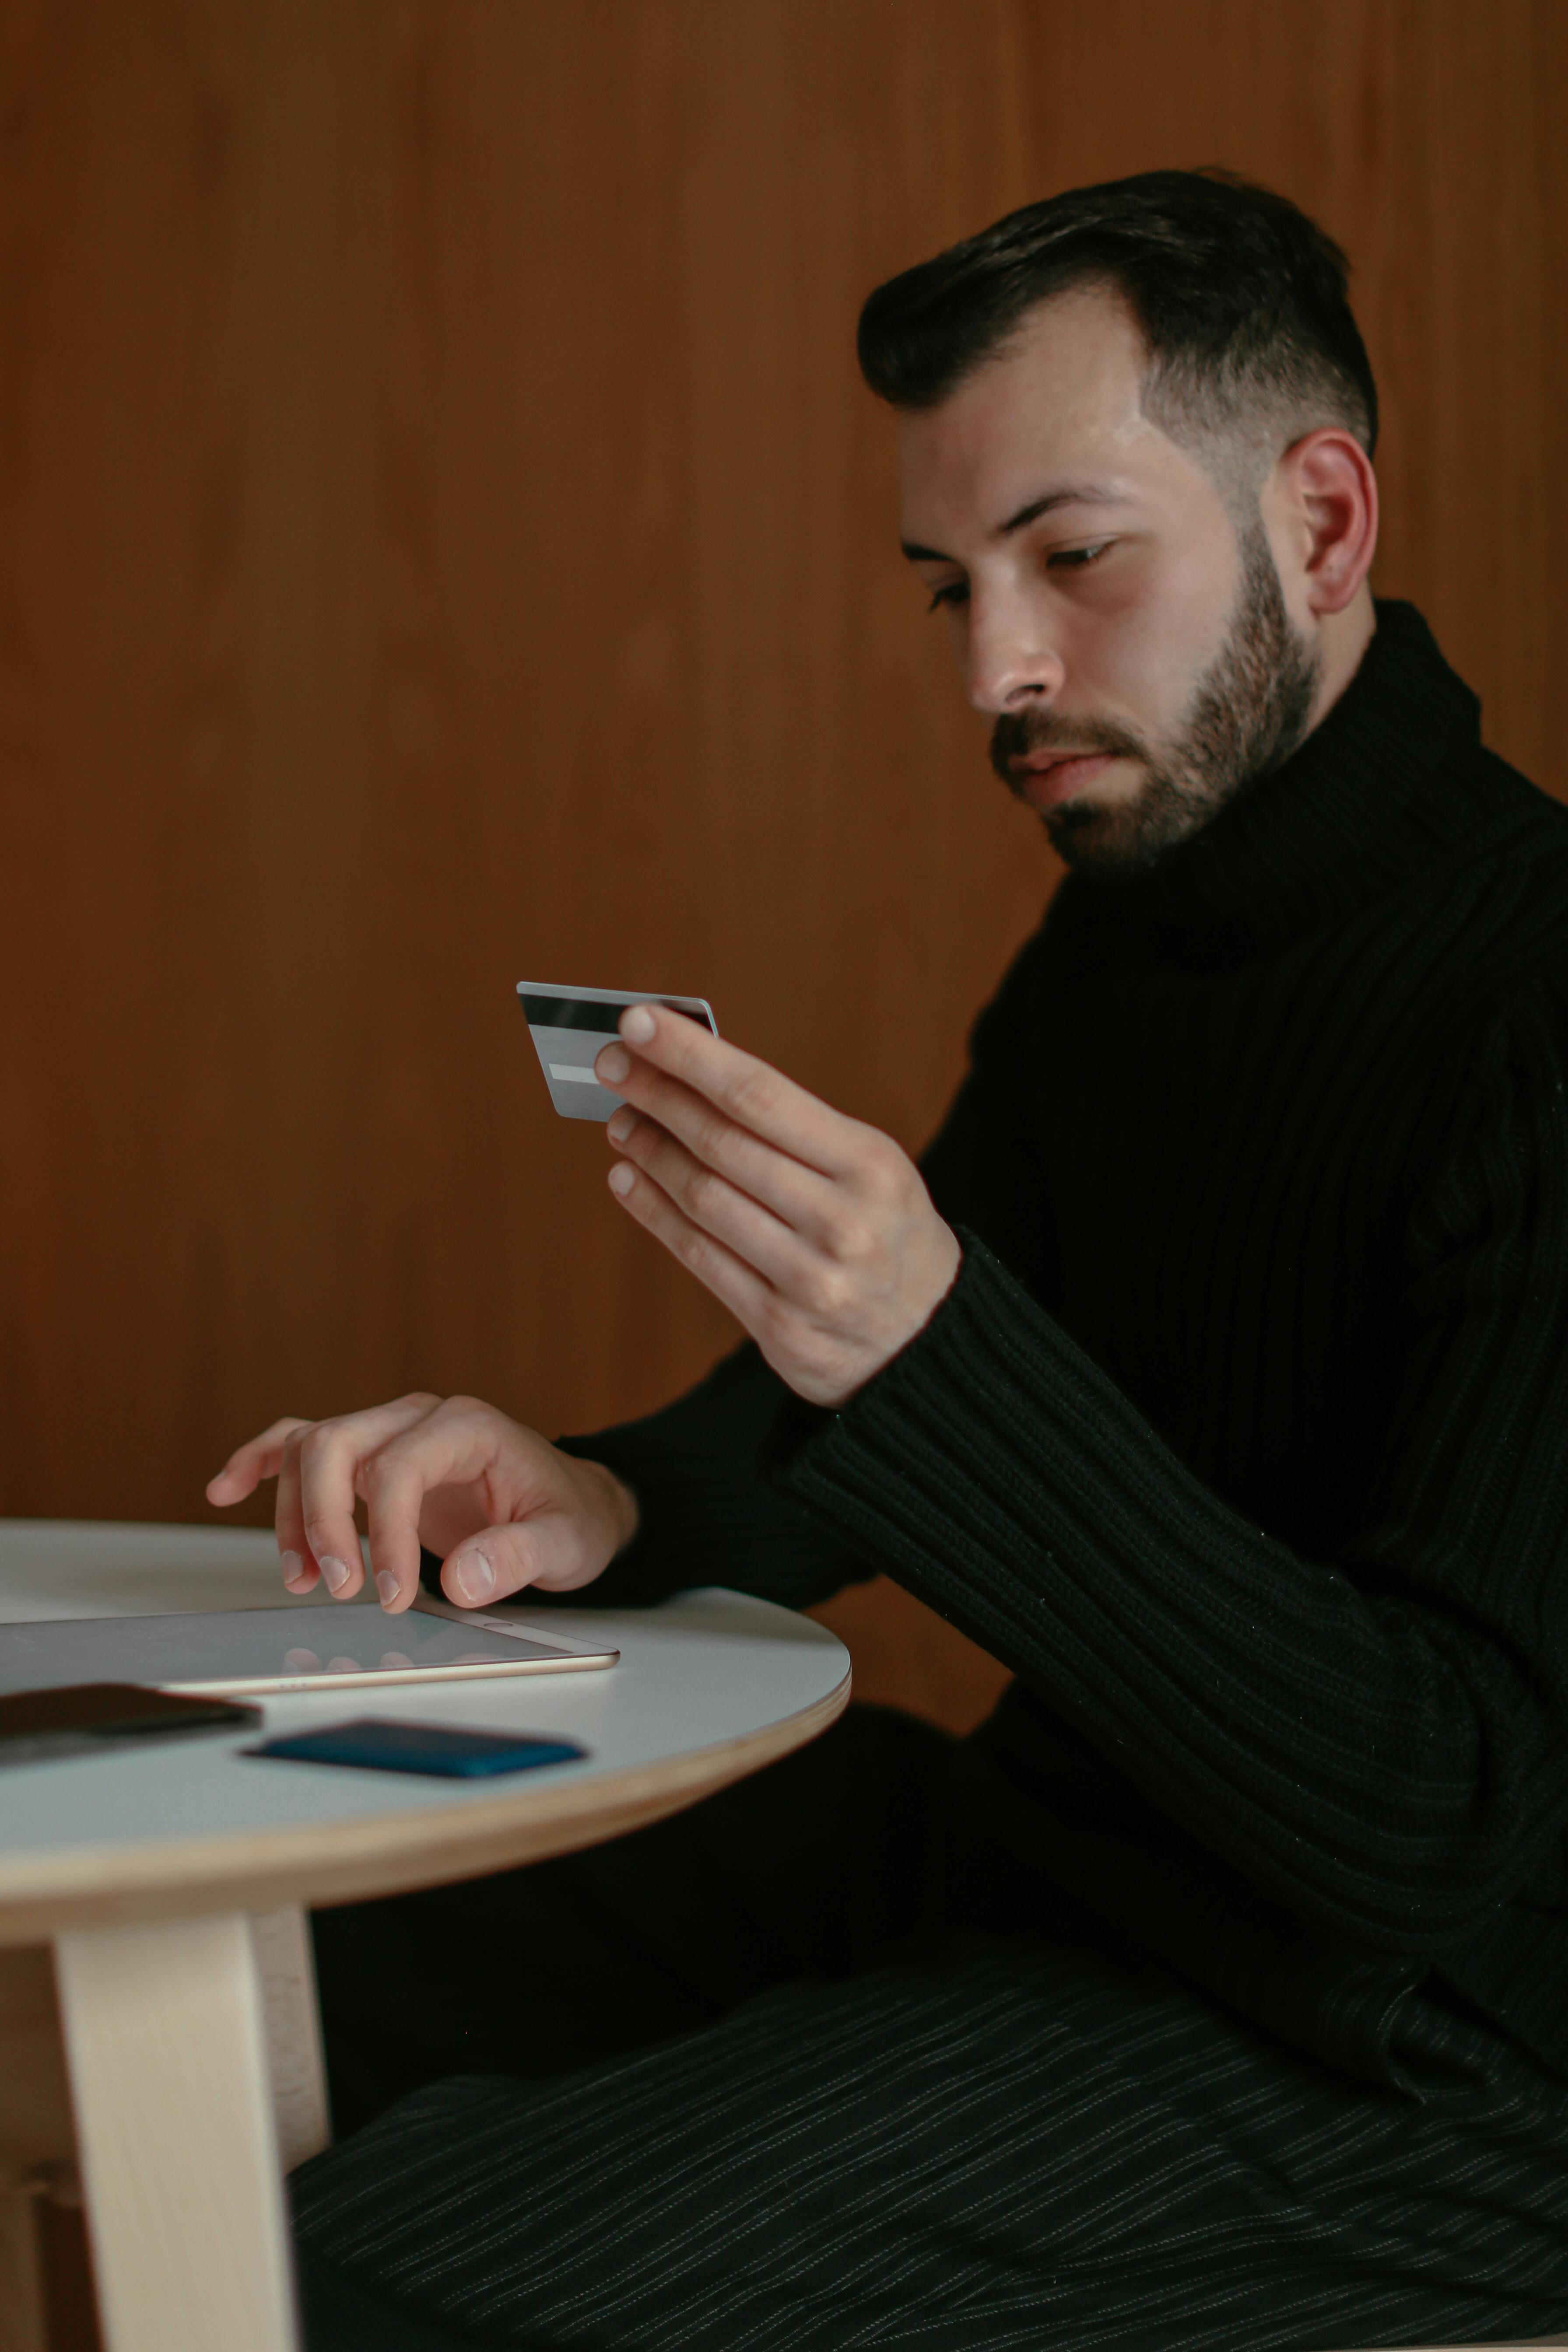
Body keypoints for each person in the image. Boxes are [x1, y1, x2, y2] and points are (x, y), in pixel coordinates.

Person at [211, 171, 1568, 2350]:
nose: (995, 670)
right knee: (261, 1929)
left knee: (352, 2273)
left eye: (1071, 557)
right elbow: (865, 1389)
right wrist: (610, 1494)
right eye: (945, 586)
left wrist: (925, 1346)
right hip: (1058, 1876)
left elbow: (1440, 1816)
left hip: (1426, 2045)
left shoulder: (1534, 999)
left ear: (1320, 524)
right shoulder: (1123, 934)